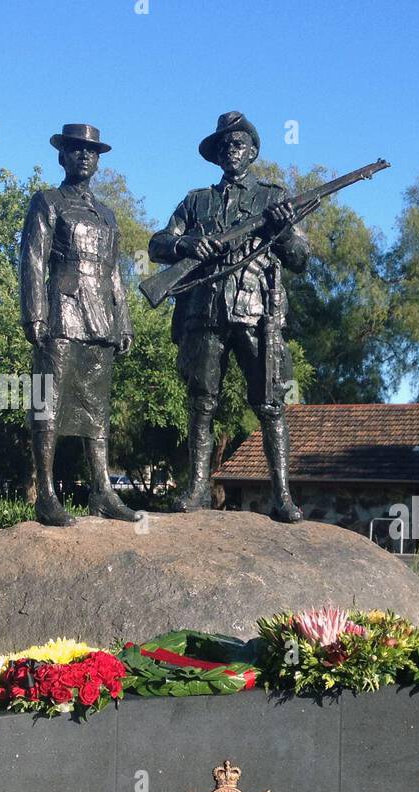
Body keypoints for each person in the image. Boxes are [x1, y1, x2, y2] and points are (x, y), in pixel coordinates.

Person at [148, 111, 309, 520]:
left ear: (252, 152)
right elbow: (158, 243)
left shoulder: (274, 199)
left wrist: (285, 230)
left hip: (258, 314)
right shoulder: (196, 201)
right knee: (201, 402)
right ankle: (197, 487)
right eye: (224, 146)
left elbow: (301, 259)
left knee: (270, 404)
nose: (230, 151)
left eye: (238, 144)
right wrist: (187, 245)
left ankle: (282, 496)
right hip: (205, 312)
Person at [19, 123, 136, 526]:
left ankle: (102, 490)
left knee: (96, 408)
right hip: (62, 312)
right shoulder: (47, 201)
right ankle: (46, 493)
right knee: (47, 401)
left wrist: (124, 320)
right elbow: (34, 259)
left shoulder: (106, 213)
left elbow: (115, 272)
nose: (84, 156)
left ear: (98, 160)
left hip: (100, 316)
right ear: (62, 156)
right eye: (75, 150)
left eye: (91, 151)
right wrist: (33, 313)